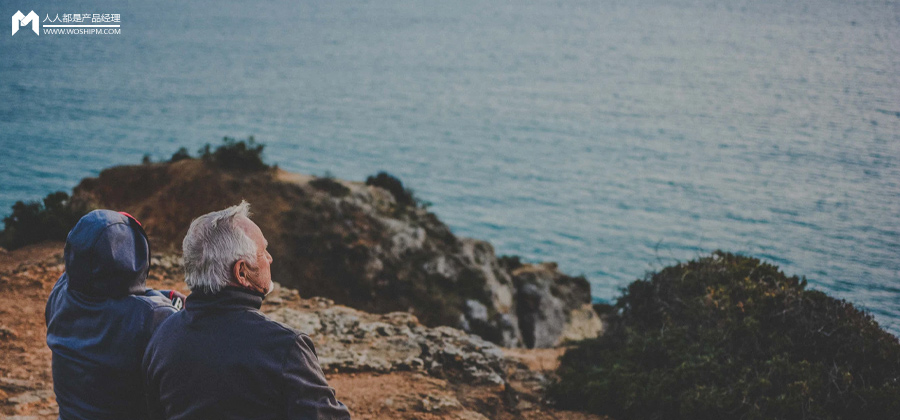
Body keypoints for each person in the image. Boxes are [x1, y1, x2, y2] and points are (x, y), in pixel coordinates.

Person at [143, 201, 351, 420]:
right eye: (263, 251)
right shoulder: (284, 346)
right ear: (241, 272)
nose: (270, 258)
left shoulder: (163, 337)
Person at [46, 210, 182, 420]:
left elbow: (108, 292)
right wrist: (167, 299)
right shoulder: (151, 317)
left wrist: (158, 295)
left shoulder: (61, 292)